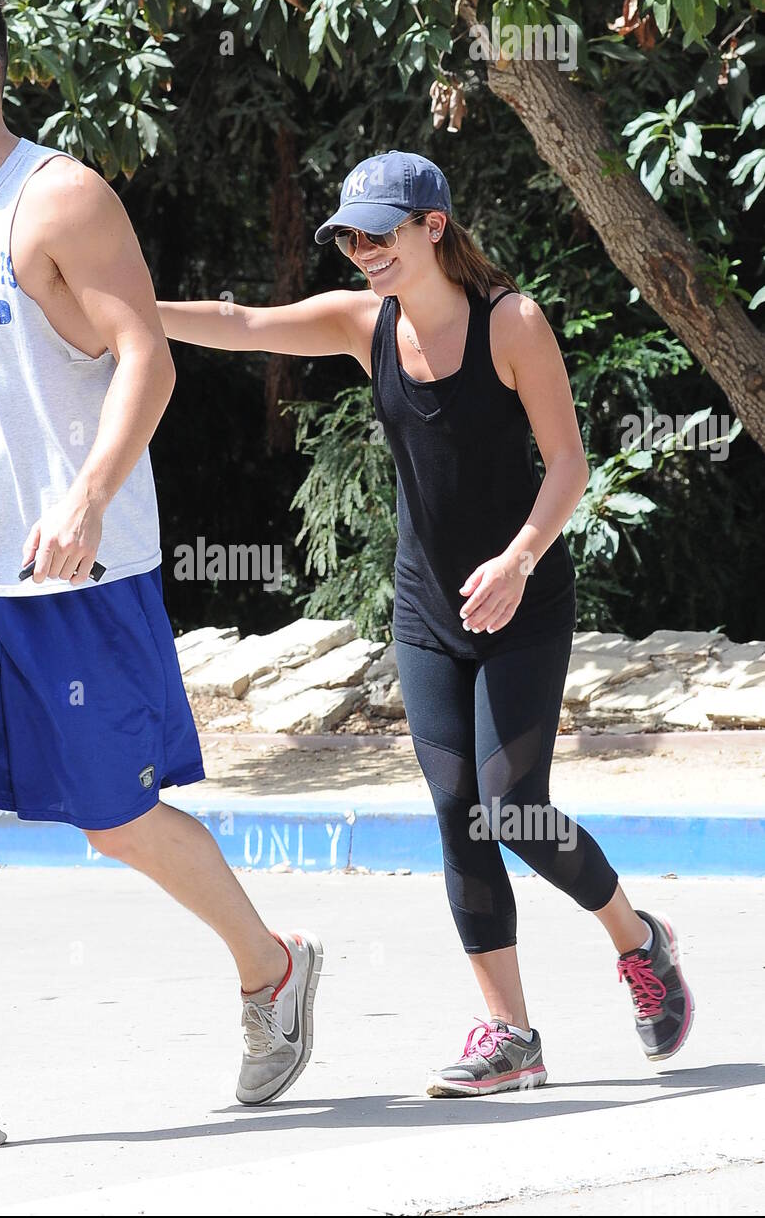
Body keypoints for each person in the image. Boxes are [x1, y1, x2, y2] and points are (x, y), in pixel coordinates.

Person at [0, 0, 322, 1160]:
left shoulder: (58, 198)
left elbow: (145, 358)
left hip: (79, 571)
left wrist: (87, 495)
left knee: (114, 817)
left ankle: (271, 969)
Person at [158, 150, 693, 1097]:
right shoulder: (364, 322)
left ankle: (637, 939)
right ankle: (509, 1033)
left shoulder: (511, 323)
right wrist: (121, 311)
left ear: (432, 227)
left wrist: (519, 559)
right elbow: (241, 325)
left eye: (379, 233)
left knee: (512, 808)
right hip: (424, 609)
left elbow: (567, 465)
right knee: (457, 814)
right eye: (351, 237)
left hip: (523, 600)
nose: (362, 251)